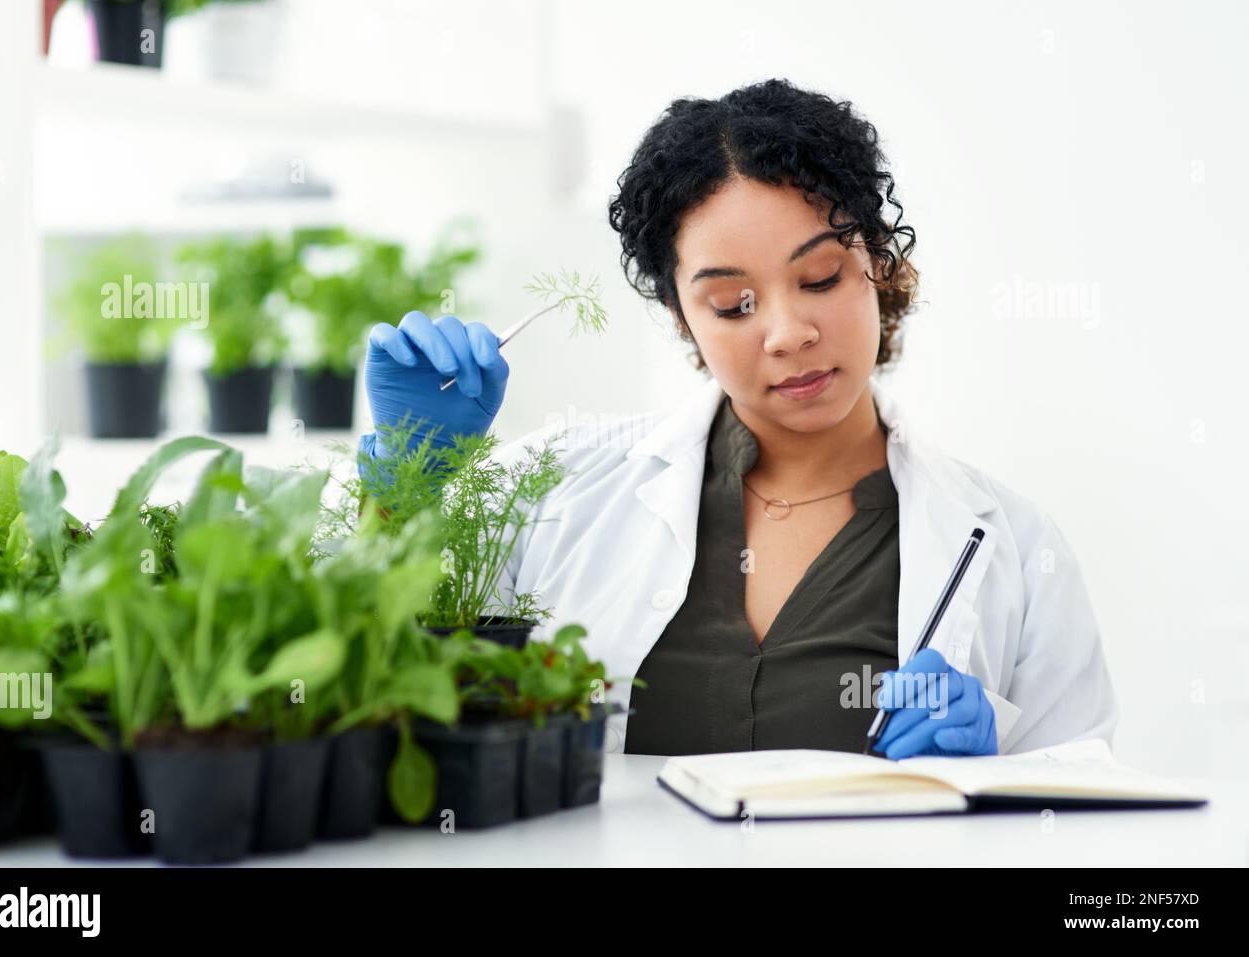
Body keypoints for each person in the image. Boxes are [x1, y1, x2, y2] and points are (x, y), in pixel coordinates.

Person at [358, 78, 1118, 759]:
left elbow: (1090, 800)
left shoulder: (1014, 546)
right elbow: (362, 684)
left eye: (820, 276)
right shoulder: (562, 491)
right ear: (682, 316)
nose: (787, 331)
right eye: (732, 304)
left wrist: (1001, 771)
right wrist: (408, 478)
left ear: (878, 263)